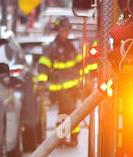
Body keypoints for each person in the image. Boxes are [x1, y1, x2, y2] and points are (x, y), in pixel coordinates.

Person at [36, 17, 94, 147]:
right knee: (69, 111)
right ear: (58, 30)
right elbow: (43, 65)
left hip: (73, 87)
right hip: (60, 88)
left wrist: (87, 74)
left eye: (67, 30)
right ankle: (70, 137)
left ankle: (61, 138)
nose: (66, 32)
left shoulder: (71, 46)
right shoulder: (52, 48)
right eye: (63, 30)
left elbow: (80, 63)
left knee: (65, 113)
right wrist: (42, 81)